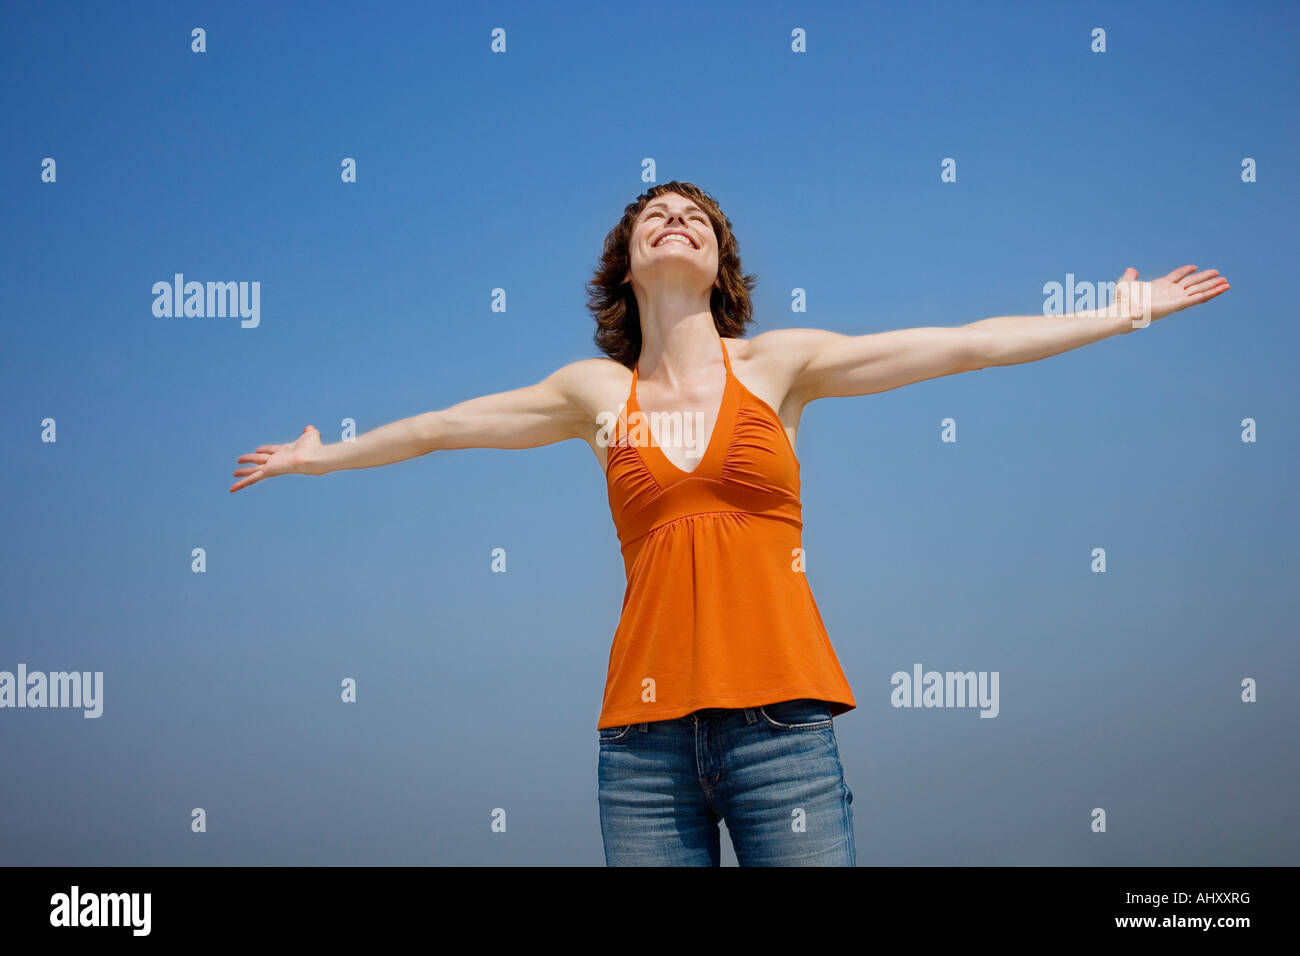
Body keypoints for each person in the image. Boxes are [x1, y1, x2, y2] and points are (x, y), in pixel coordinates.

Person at [230, 181, 1230, 866]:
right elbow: (441, 429)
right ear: (625, 265)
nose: (676, 219)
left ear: (719, 266)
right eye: (654, 215)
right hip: (641, 745)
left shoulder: (778, 367)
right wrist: (322, 455)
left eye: (695, 216)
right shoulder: (593, 392)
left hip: (781, 728)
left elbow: (964, 344)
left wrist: (1118, 312)